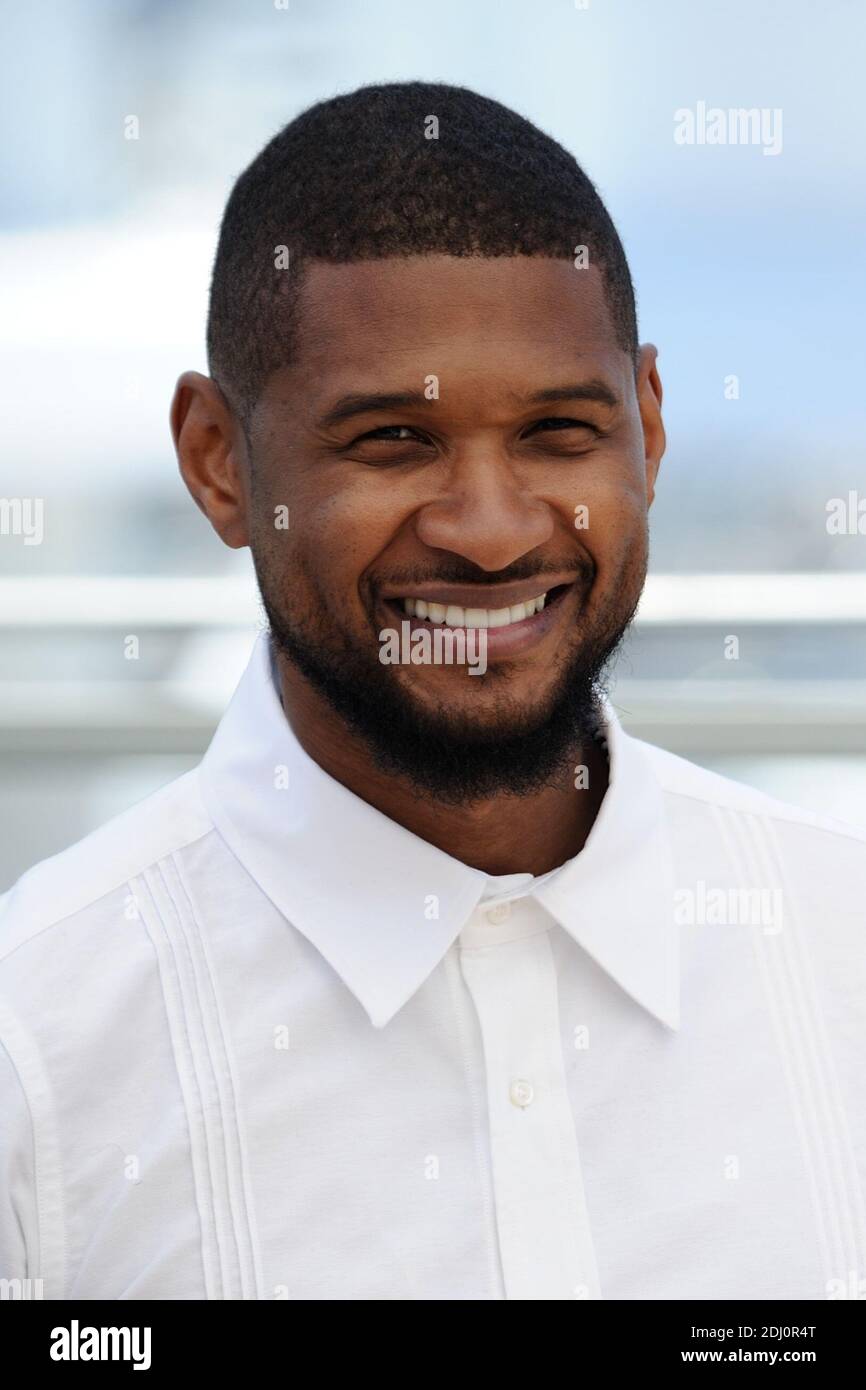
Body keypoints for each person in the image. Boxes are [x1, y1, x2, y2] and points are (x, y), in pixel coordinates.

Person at [1, 82, 864, 1302]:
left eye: (559, 430)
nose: (492, 533)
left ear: (649, 428)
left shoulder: (843, 950)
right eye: (392, 444)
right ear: (217, 462)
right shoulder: (35, 1047)